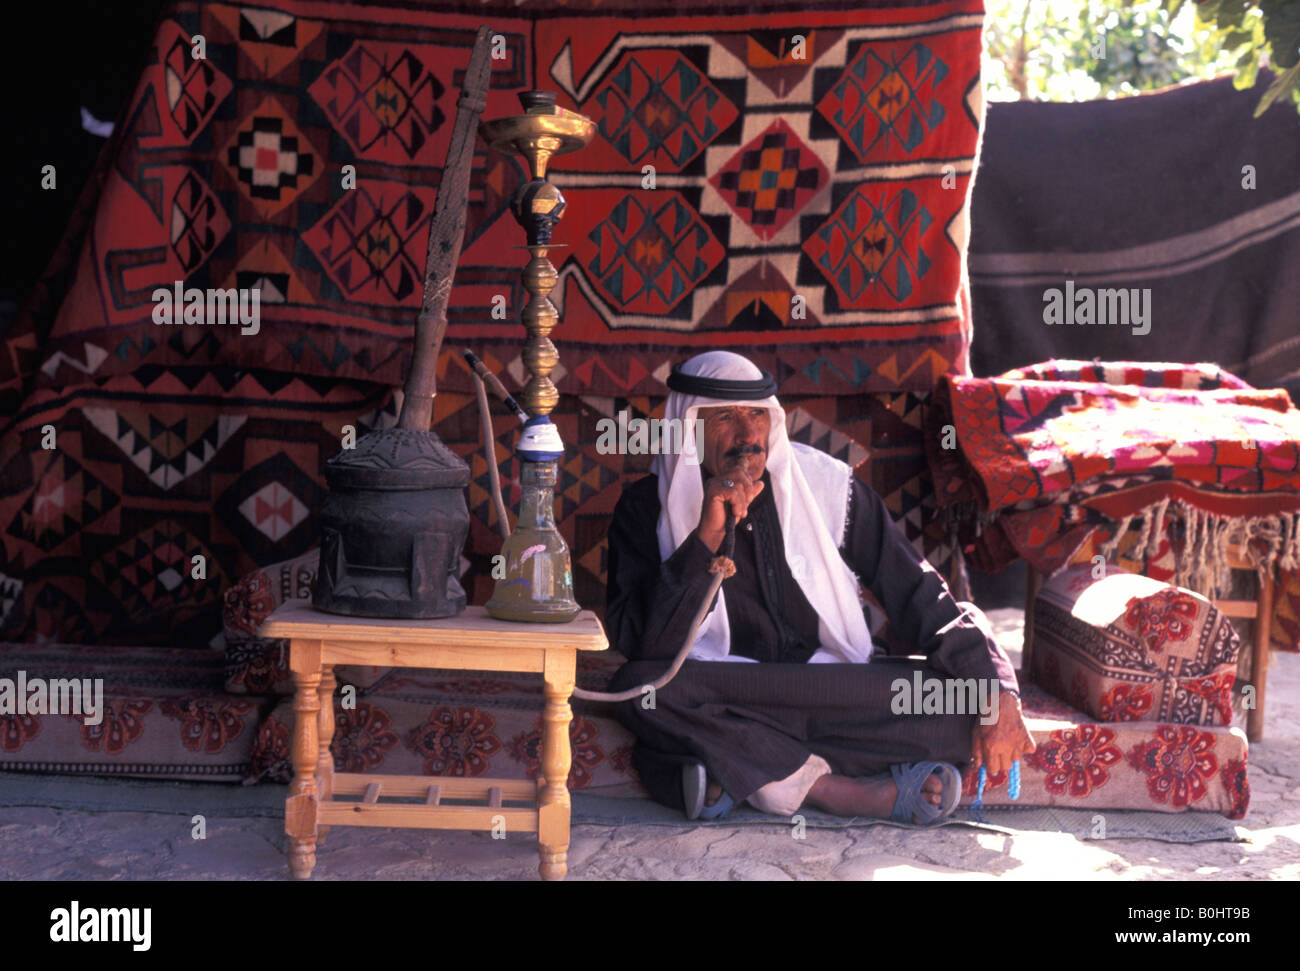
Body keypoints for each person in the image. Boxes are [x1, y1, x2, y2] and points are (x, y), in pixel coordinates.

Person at [604, 350, 1035, 823]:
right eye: (725, 417)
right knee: (641, 689)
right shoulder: (645, 508)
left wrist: (995, 688)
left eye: (757, 415)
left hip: (830, 687)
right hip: (722, 686)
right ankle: (832, 790)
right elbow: (642, 644)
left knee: (956, 705)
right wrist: (706, 537)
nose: (748, 436)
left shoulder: (829, 487)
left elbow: (918, 591)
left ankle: (726, 765)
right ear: (688, 426)